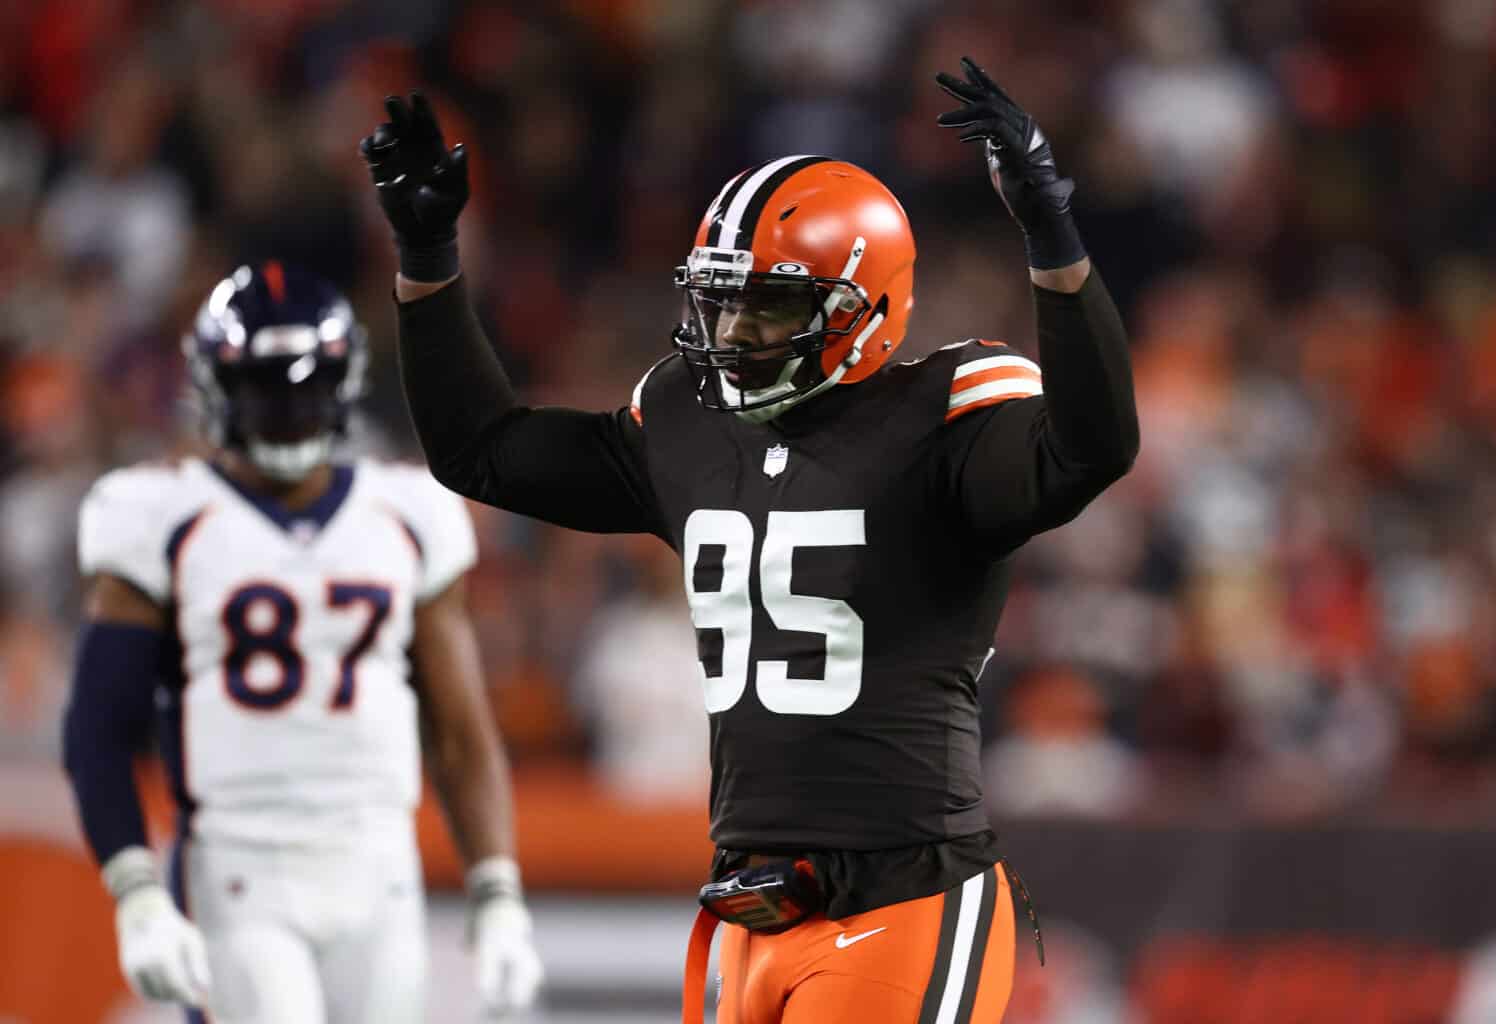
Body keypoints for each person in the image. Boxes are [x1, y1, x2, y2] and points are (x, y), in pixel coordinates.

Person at [360, 55, 1137, 1024]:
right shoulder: (688, 419)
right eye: (723, 298)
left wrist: (1053, 242)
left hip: (900, 896)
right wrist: (429, 258)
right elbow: (484, 451)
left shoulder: (944, 417)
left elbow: (1092, 445)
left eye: (769, 303)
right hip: (752, 905)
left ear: (863, 307)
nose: (734, 329)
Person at [61, 261, 544, 1023]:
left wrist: (497, 888)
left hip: (380, 866)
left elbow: (459, 730)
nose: (287, 410)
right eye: (264, 389)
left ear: (342, 383)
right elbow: (97, 730)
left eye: (305, 387)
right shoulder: (160, 517)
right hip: (237, 865)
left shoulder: (407, 513)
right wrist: (136, 890)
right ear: (217, 387)